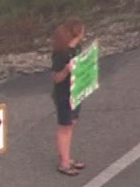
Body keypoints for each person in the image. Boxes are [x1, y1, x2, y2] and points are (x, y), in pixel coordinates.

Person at [51, 17, 87, 177]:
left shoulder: (77, 48)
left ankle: (66, 156)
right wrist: (66, 70)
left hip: (76, 91)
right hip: (64, 95)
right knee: (64, 127)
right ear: (77, 33)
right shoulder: (61, 54)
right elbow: (56, 78)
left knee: (71, 123)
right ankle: (64, 163)